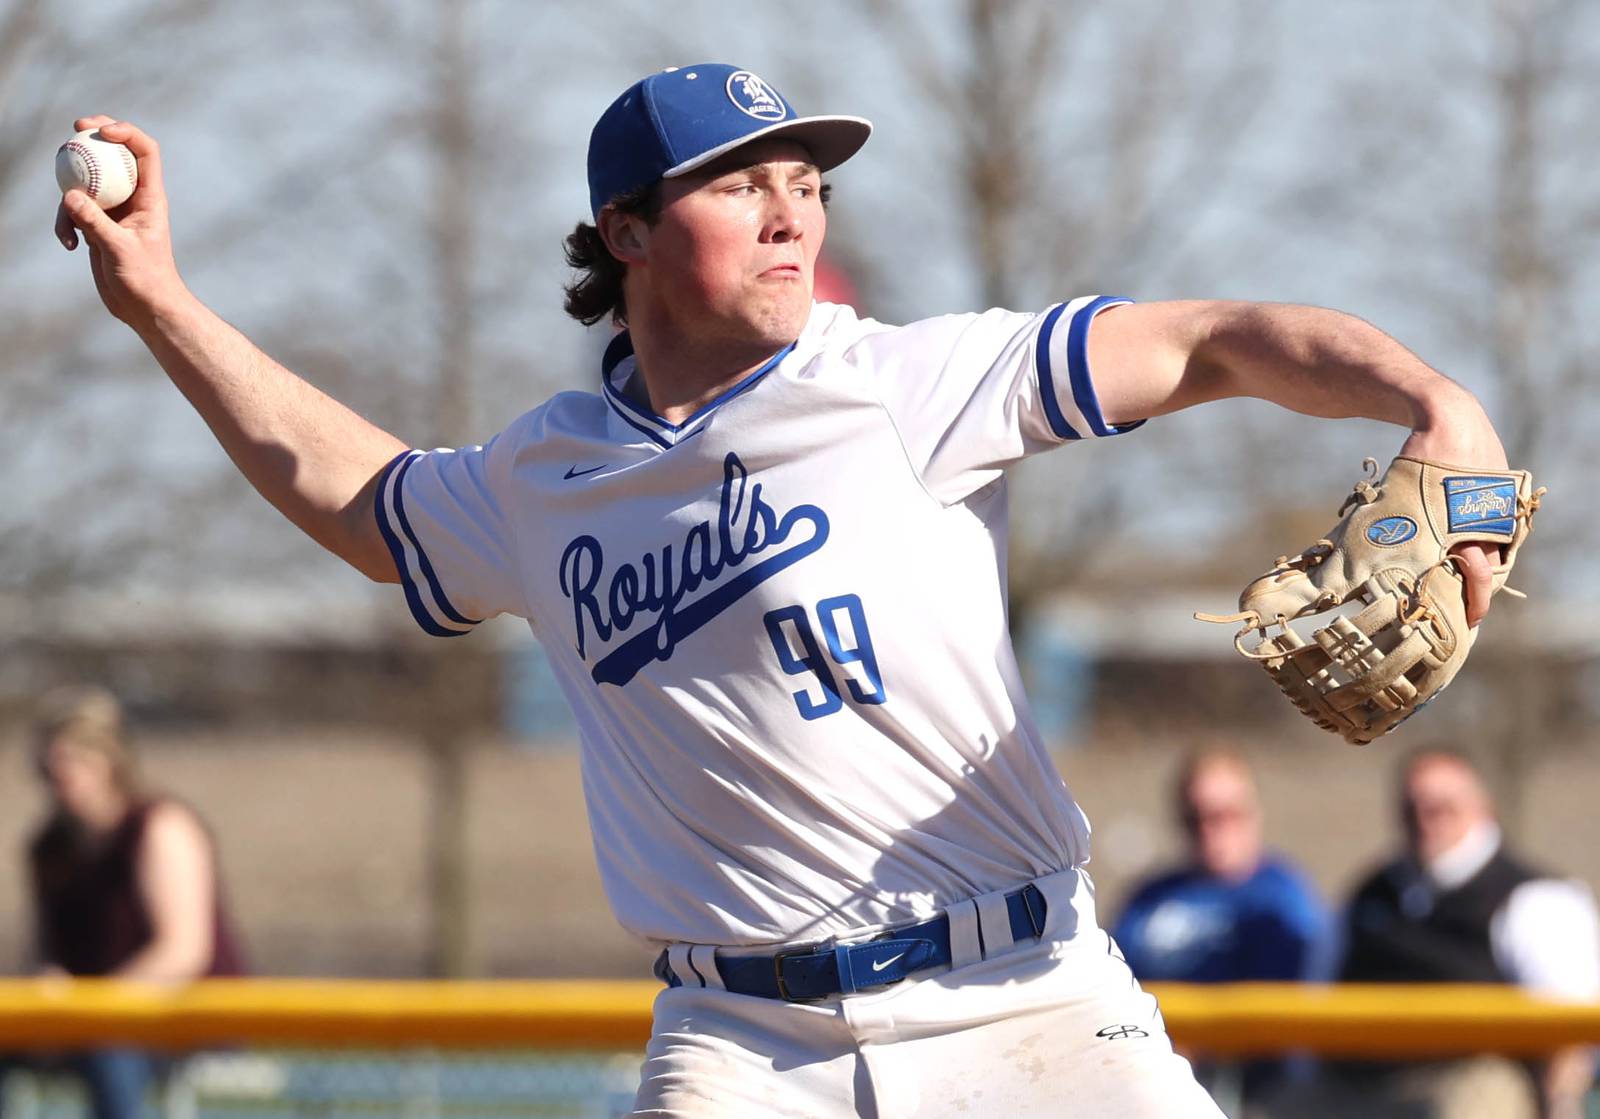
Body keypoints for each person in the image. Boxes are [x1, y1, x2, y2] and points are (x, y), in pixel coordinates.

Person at [54, 62, 1518, 1118]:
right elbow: (362, 503)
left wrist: (1436, 402)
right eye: (738, 181)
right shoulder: (544, 476)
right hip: (744, 1039)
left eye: (804, 183)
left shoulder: (904, 384)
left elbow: (1211, 339)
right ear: (626, 232)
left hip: (1029, 1000)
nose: (787, 212)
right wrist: (162, 301)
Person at [0, 687, 246, 1119]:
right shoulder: (49, 846)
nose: (62, 777)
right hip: (83, 1017)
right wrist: (47, 990)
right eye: (52, 765)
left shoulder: (160, 828)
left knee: (109, 1053)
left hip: (173, 1014)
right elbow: (43, 950)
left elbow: (183, 952)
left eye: (73, 763)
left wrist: (97, 1008)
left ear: (109, 760)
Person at [1327, 748, 1599, 1119]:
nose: (1426, 819)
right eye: (1413, 808)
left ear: (1482, 807)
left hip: (1475, 1081)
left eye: (1443, 808)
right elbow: (1317, 999)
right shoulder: (1368, 896)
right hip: (1361, 1081)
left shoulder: (1533, 898)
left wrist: (1560, 1105)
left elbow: (1567, 1042)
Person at [1113, 748, 1328, 1111]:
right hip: (1150, 1073)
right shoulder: (1150, 899)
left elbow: (1282, 1005)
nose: (1212, 829)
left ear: (1254, 813)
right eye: (1197, 817)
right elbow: (1115, 984)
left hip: (1249, 1086)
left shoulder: (1281, 898)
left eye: (1228, 814)